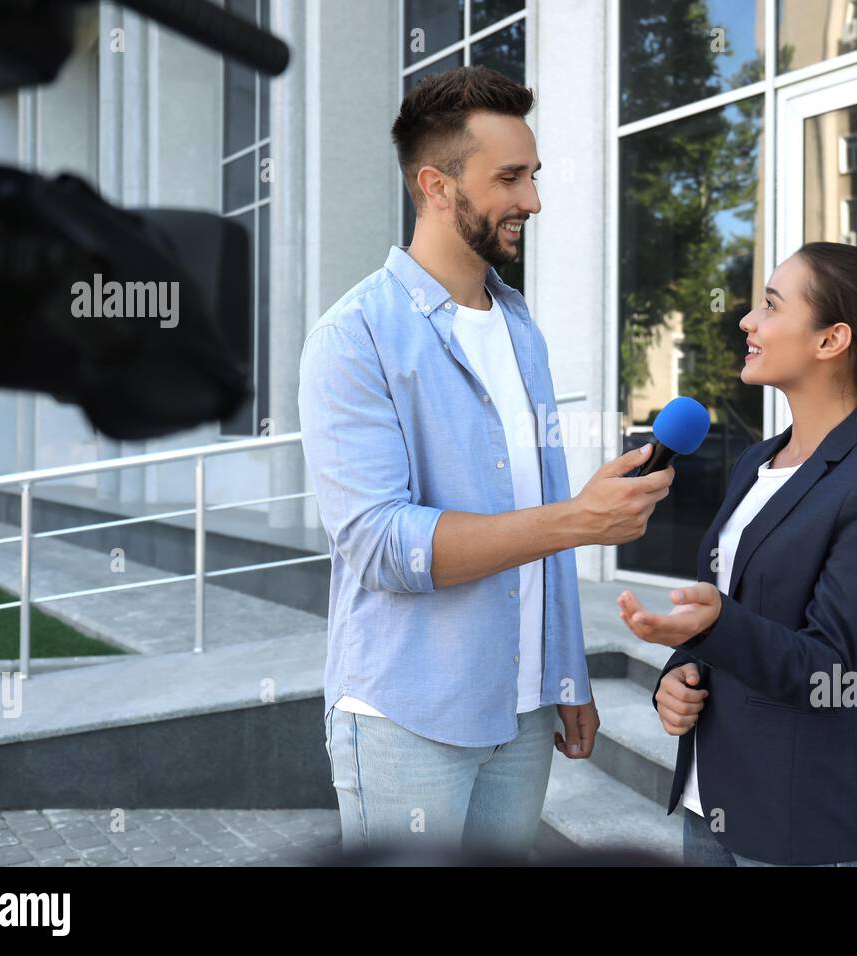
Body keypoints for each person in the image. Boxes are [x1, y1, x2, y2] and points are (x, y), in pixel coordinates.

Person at [298, 66, 674, 860]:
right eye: (509, 178)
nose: (532, 200)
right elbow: (380, 546)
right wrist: (579, 517)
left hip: (525, 709)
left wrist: (565, 672)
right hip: (409, 717)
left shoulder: (519, 325)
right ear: (436, 185)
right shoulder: (354, 336)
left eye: (532, 175)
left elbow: (536, 519)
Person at [617, 241, 857, 867]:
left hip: (801, 829)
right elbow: (733, 614)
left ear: (831, 340)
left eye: (769, 305)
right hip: (706, 805)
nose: (748, 321)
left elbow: (832, 673)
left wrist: (716, 624)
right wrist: (678, 675)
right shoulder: (756, 461)